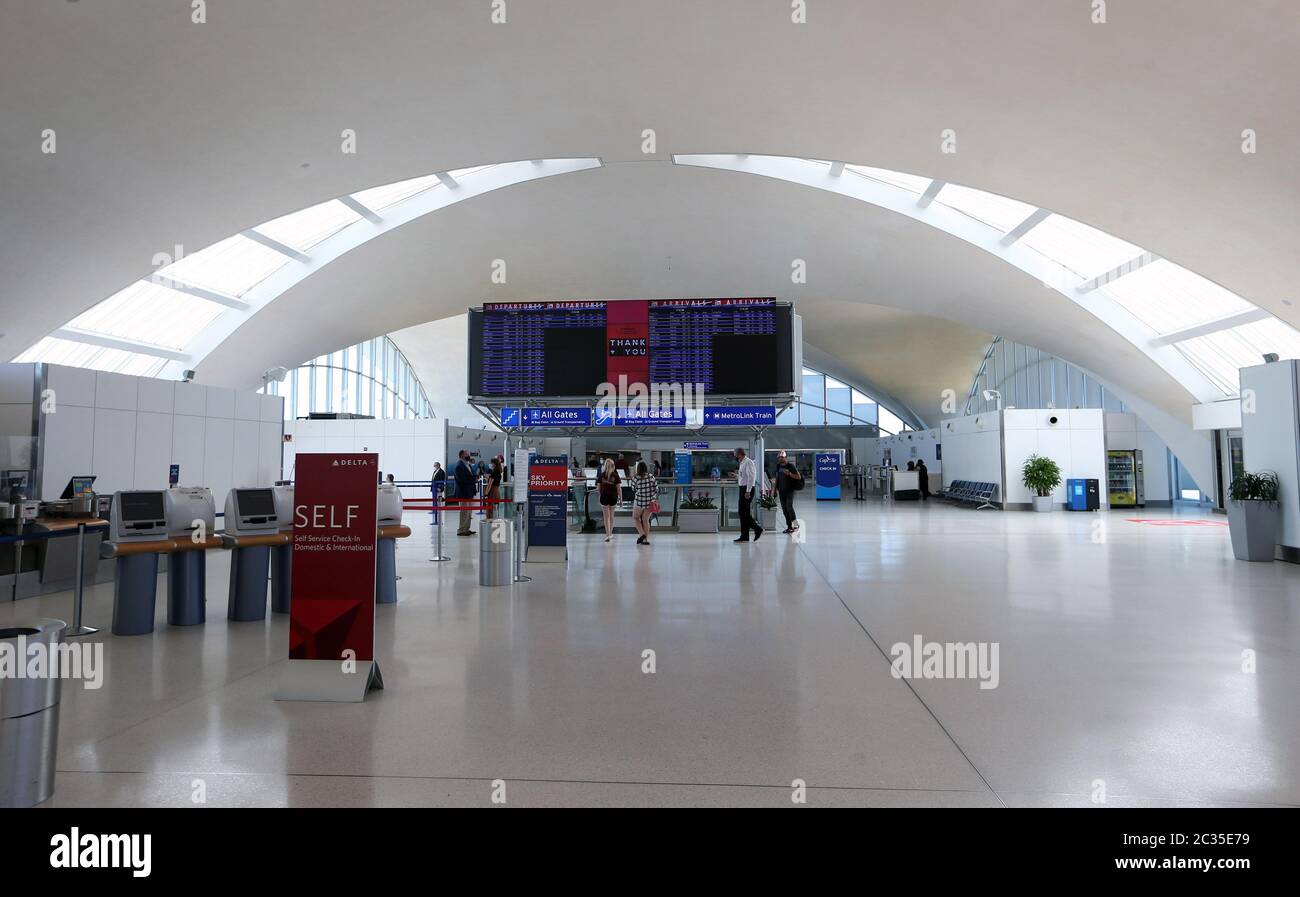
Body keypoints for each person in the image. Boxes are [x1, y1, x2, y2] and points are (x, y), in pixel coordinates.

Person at [733, 447, 763, 543]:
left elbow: (751, 477)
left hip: (747, 489)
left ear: (739, 454)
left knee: (744, 513)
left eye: (735, 453)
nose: (734, 455)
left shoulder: (748, 462)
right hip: (743, 488)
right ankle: (744, 535)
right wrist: (736, 476)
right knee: (742, 513)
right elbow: (744, 476)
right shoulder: (742, 462)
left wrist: (748, 491)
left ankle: (757, 528)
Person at [774, 450, 802, 534]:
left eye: (782, 457)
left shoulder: (790, 466)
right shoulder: (778, 466)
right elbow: (777, 478)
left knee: (789, 507)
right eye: (779, 457)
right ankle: (789, 527)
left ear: (785, 457)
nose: (780, 459)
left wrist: (789, 473)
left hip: (789, 490)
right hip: (781, 491)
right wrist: (774, 490)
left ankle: (795, 524)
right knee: (784, 510)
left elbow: (798, 477)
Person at [630, 460, 657, 546]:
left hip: (639, 502)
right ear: (646, 468)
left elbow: (633, 489)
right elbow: (656, 489)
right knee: (645, 520)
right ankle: (645, 540)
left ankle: (642, 534)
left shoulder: (635, 478)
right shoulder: (651, 477)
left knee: (635, 518)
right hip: (650, 502)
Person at [597, 458, 621, 541]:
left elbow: (599, 488)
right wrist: (621, 499)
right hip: (613, 496)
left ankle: (607, 534)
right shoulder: (616, 475)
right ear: (613, 466)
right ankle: (611, 533)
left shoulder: (602, 475)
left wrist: (600, 496)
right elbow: (619, 488)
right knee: (611, 516)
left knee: (606, 516)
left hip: (604, 496)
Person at [454, 450, 477, 536]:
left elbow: (470, 476)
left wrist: (474, 478)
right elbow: (461, 479)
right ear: (462, 455)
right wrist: (473, 480)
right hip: (464, 492)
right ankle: (461, 530)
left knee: (469, 512)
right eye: (467, 454)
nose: (469, 456)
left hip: (469, 492)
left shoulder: (467, 464)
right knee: (464, 511)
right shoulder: (459, 465)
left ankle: (467, 528)